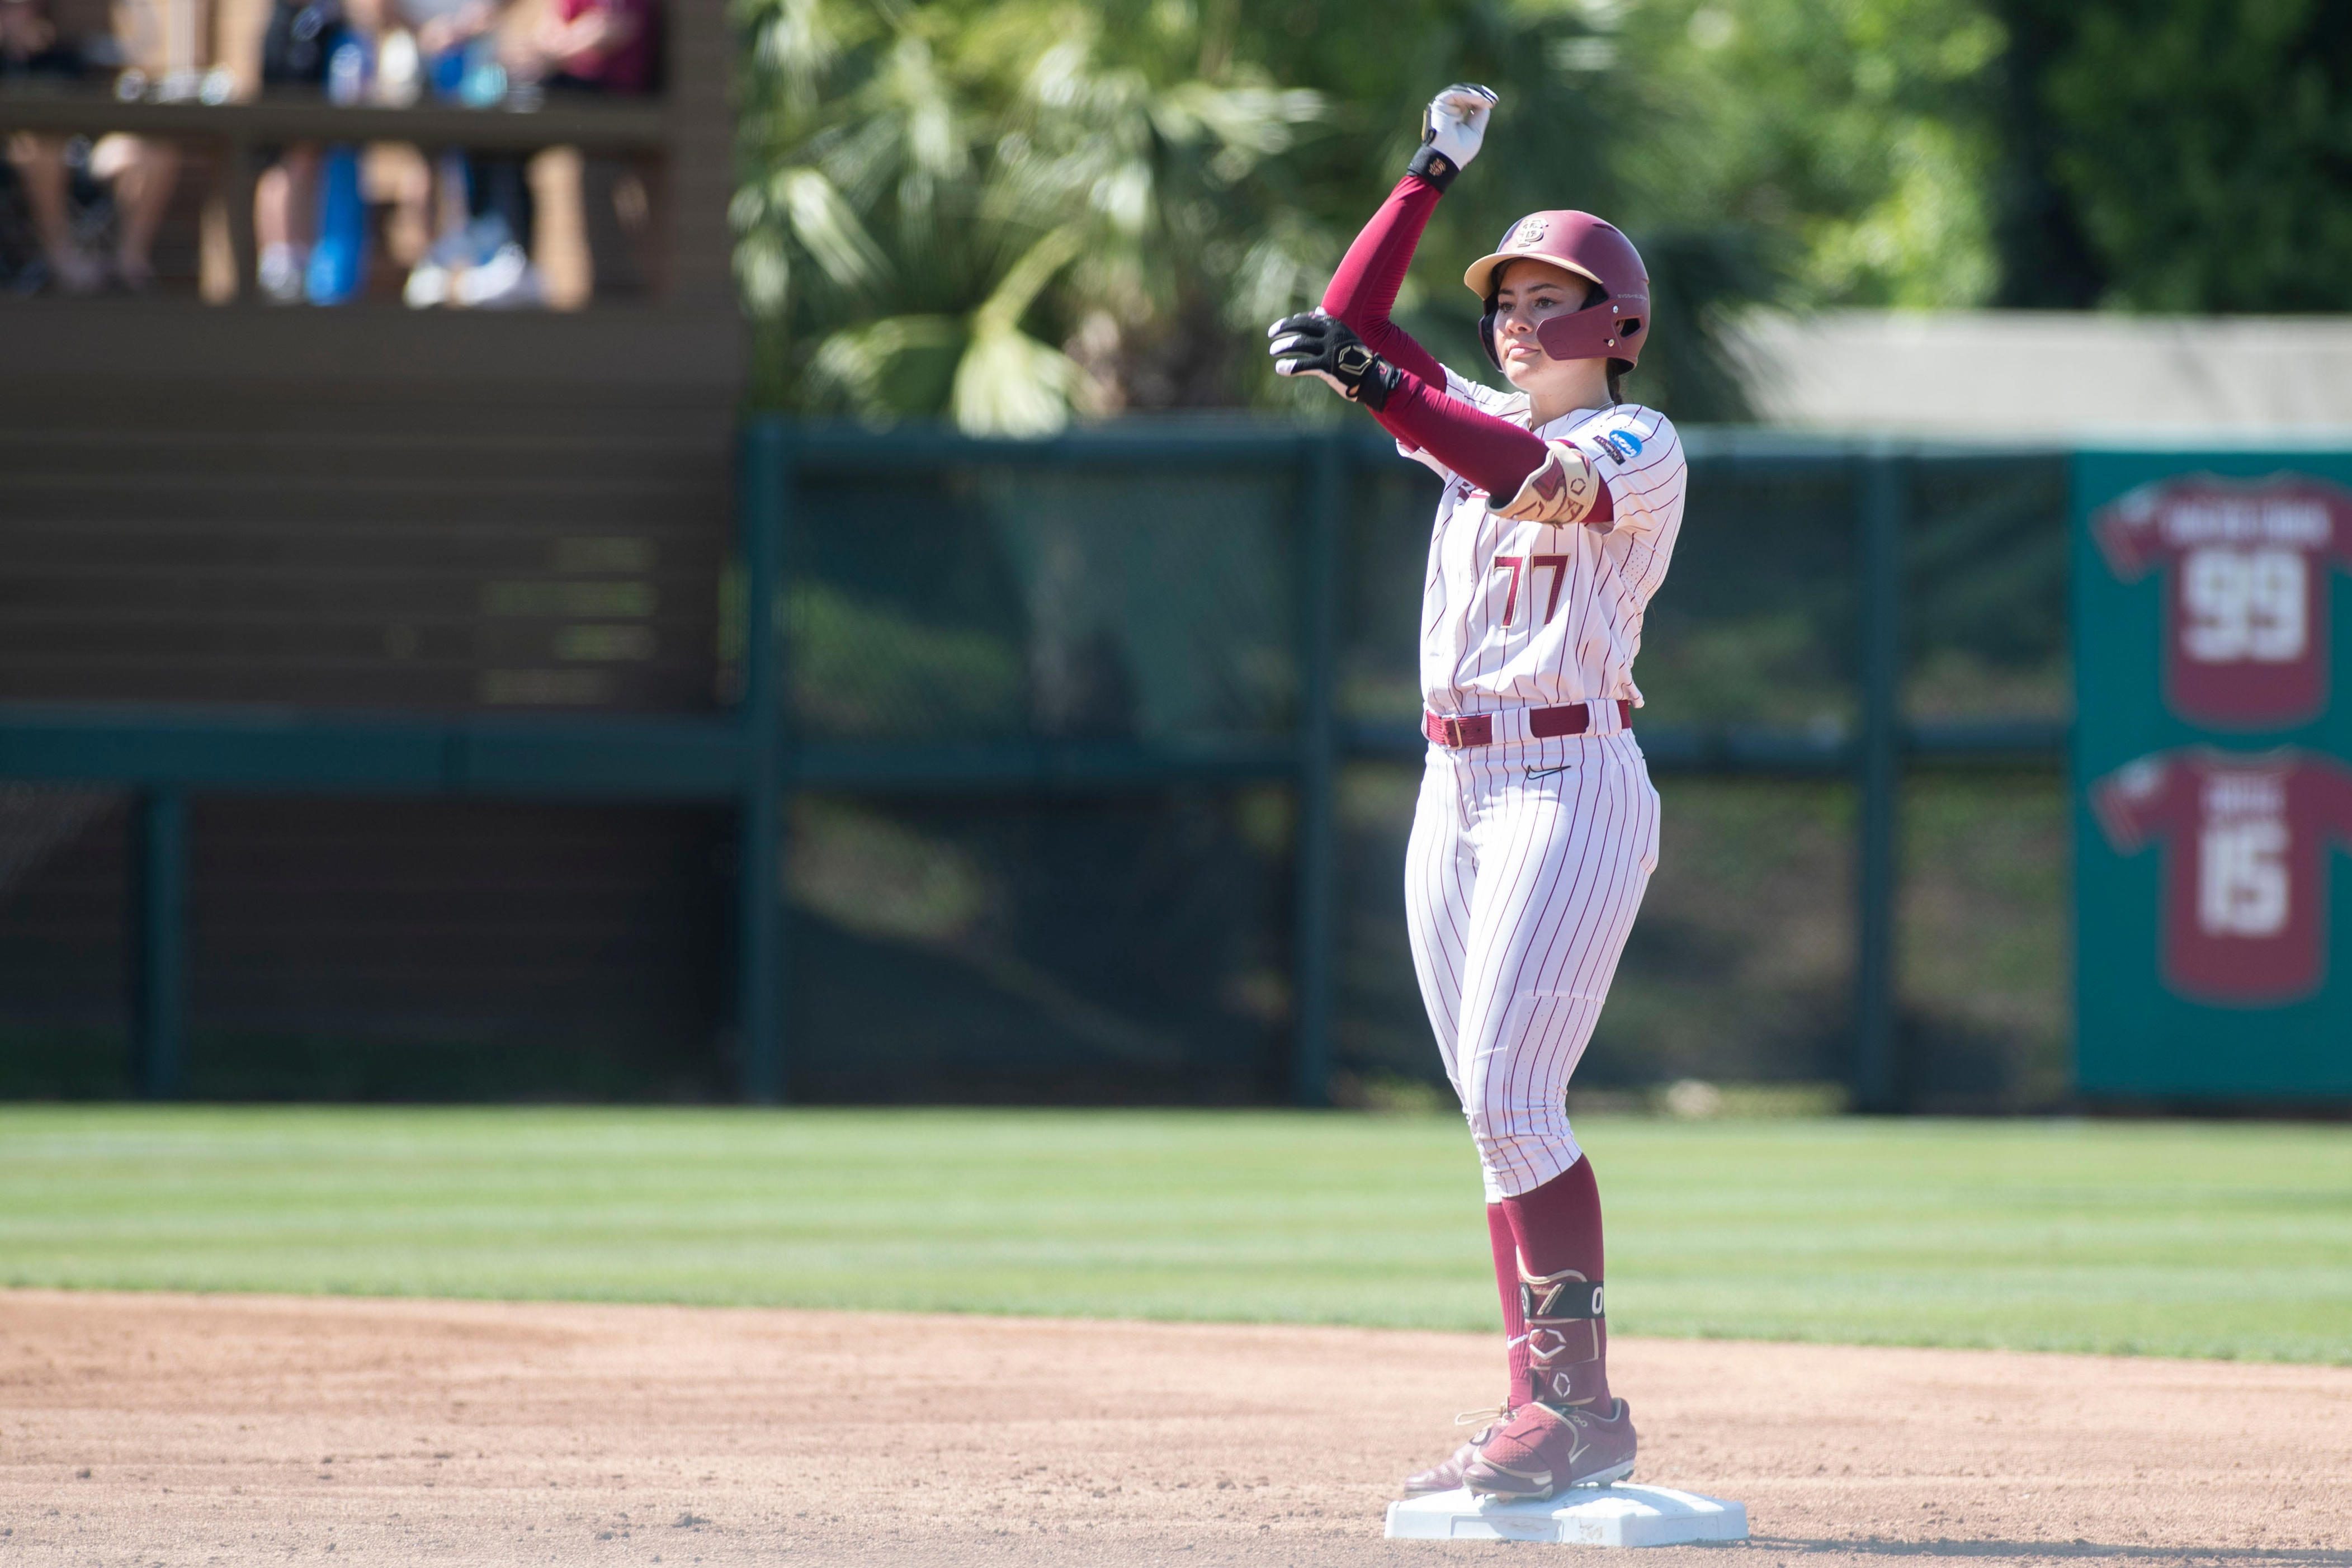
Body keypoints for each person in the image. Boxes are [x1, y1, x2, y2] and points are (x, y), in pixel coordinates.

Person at [1267, 83, 1687, 1501]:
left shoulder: (1639, 445)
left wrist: (1383, 386)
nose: (1516, 314)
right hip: (1451, 783)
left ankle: (1576, 1409)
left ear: (1614, 323)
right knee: (1485, 1105)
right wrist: (1426, 172)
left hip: (1567, 776)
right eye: (1504, 295)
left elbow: (1521, 471)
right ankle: (1539, 1410)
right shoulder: (1468, 414)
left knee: (1515, 1091)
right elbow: (1356, 319)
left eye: (1549, 294)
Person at [3, 0, 178, 292]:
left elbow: (96, 99)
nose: (22, 14)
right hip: (21, 160)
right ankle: (63, 259)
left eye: (28, 7)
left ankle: (129, 263)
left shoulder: (62, 53)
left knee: (152, 155)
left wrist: (41, 50)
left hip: (78, 151)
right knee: (41, 150)